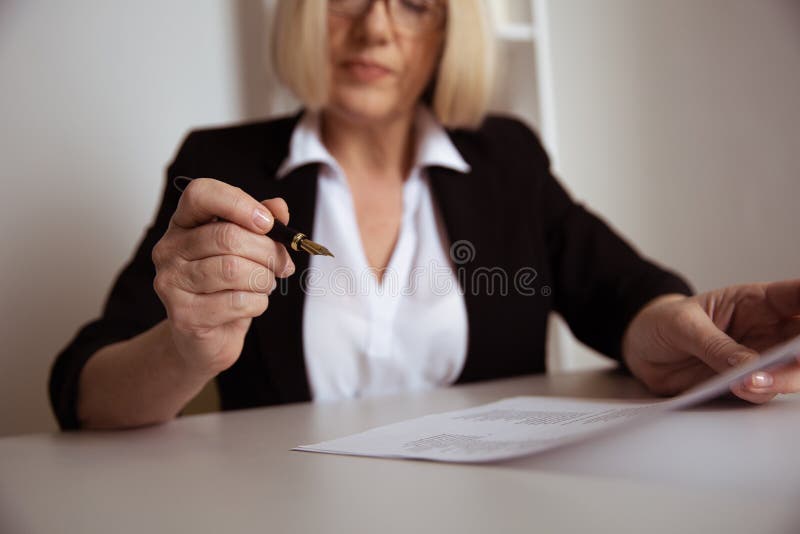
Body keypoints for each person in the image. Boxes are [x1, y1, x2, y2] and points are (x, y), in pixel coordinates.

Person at [50, 0, 800, 430]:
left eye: (413, 3)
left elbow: (621, 295)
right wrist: (187, 351)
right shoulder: (222, 167)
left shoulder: (505, 159)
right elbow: (84, 391)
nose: (376, 29)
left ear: (447, 31)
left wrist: (676, 325)